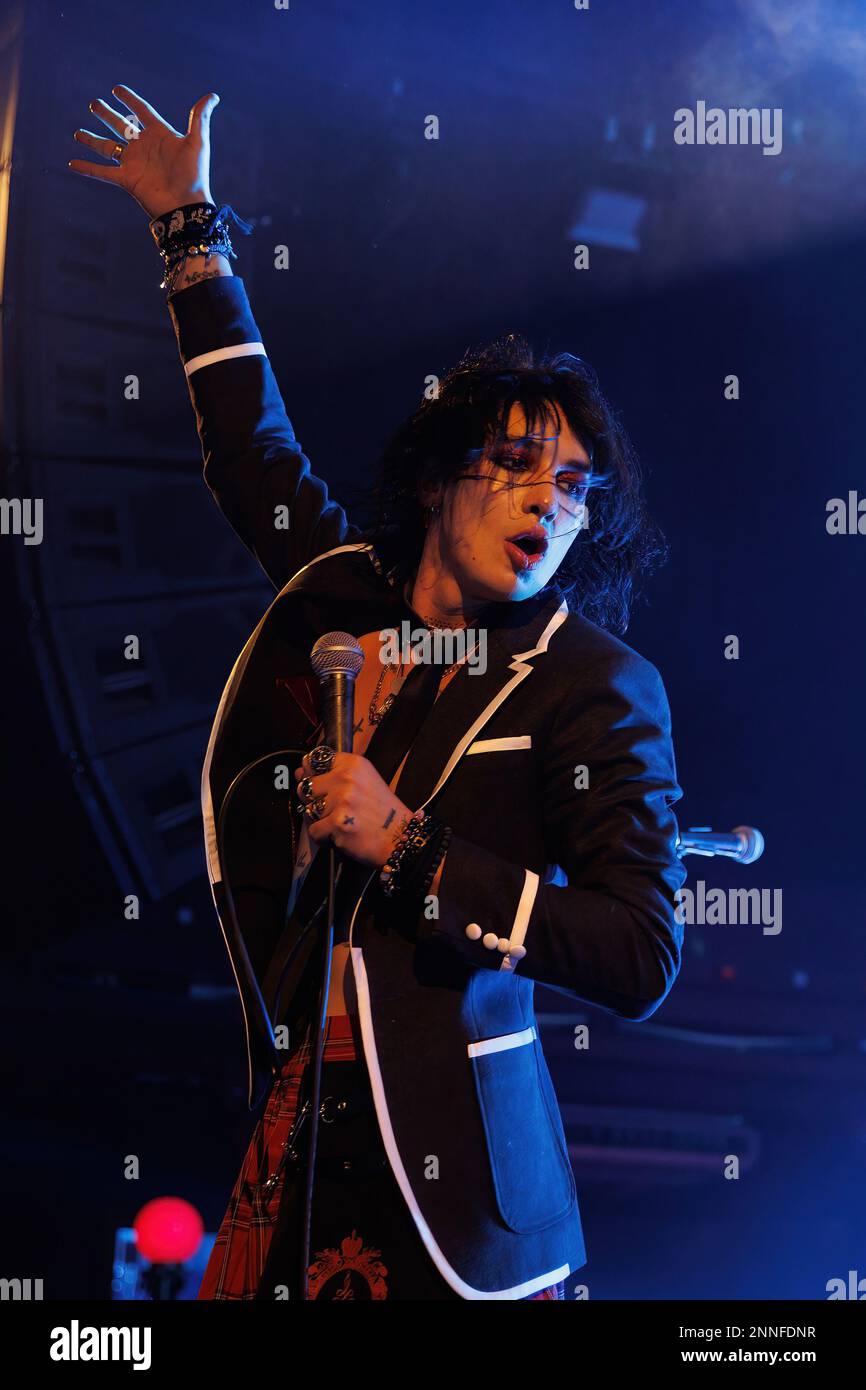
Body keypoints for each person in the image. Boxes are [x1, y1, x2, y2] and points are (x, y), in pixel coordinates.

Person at [70, 86, 687, 1301]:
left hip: (463, 1211)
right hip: (295, 1137)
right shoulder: (343, 594)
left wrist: (410, 847)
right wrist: (189, 227)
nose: (545, 503)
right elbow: (249, 446)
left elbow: (640, 950)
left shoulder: (594, 683)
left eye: (571, 489)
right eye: (513, 464)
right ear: (439, 474)